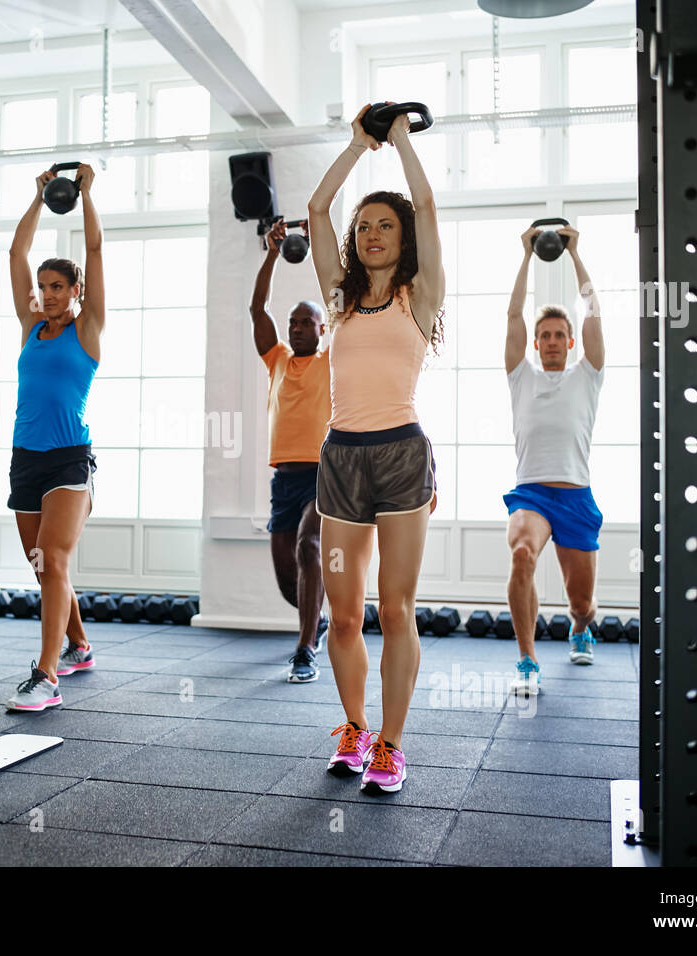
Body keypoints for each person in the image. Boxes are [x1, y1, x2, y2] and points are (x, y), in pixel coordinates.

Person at [307, 104, 445, 794]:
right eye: (363, 227)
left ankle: (392, 744)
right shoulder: (338, 300)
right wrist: (357, 145)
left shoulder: (420, 297)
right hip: (341, 461)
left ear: (405, 238)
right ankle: (356, 728)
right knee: (344, 612)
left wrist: (399, 143)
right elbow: (315, 206)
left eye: (383, 225)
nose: (369, 234)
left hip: (400, 457)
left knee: (394, 609)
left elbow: (422, 199)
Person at [4, 163, 104, 712]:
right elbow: (16, 254)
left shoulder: (89, 329)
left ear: (75, 291)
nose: (44, 293)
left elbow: (94, 249)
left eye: (56, 286)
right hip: (25, 457)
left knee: (55, 561)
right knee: (43, 567)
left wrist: (86, 194)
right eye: (41, 287)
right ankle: (79, 644)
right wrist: (39, 196)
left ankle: (46, 675)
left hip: (69, 459)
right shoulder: (31, 325)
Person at [503, 224, 605, 695]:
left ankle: (580, 625)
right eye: (543, 335)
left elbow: (594, 310)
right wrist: (526, 255)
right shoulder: (521, 376)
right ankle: (527, 661)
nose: (548, 341)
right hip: (532, 494)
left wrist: (576, 254)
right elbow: (512, 315)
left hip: (576, 497)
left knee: (581, 600)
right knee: (522, 554)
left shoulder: (587, 376)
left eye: (558, 335)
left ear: (570, 342)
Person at [250, 218, 331, 683]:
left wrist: (320, 241)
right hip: (285, 477)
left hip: (324, 475)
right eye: (294, 323)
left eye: (307, 323)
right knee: (288, 581)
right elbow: (257, 307)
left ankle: (305, 648)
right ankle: (312, 621)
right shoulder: (277, 359)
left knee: (309, 543)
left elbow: (343, 304)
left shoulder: (330, 360)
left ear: (321, 328)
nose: (298, 328)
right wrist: (271, 254)